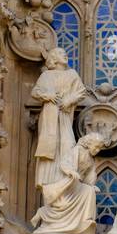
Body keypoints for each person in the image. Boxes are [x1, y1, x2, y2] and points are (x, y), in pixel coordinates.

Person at [32, 46, 88, 209]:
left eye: (65, 53)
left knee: (67, 146)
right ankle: (51, 193)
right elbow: (35, 92)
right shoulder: (46, 76)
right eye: (61, 54)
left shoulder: (72, 74)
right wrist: (47, 95)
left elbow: (81, 92)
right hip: (49, 118)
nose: (66, 55)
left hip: (64, 116)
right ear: (54, 58)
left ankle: (67, 188)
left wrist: (70, 100)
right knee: (50, 150)